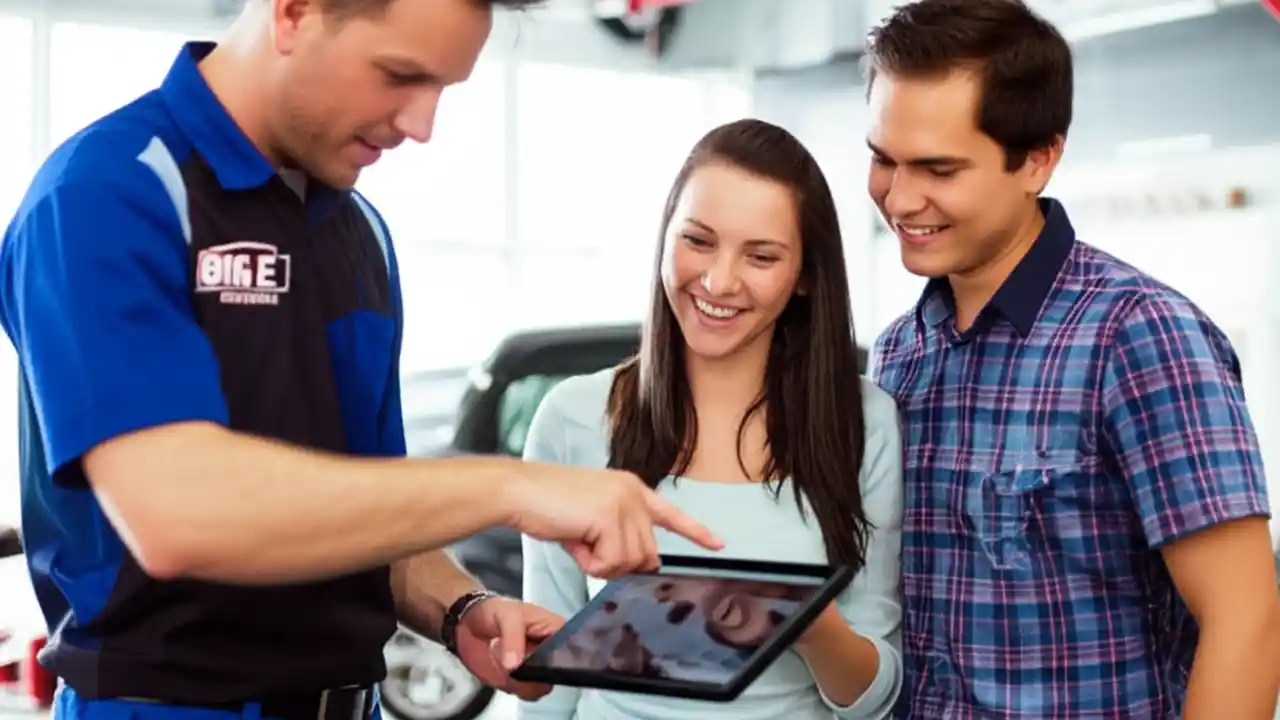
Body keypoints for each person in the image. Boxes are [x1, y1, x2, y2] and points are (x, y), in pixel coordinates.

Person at [0, 0, 724, 718]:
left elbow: (366, 510)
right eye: (400, 76)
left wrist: (462, 609)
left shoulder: (358, 232)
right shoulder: (105, 194)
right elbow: (178, 516)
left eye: (443, 88)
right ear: (294, 13)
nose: (422, 125)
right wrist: (514, 486)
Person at [863, 1, 1280, 718]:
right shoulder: (902, 350)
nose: (898, 198)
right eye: (882, 159)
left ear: (1038, 158)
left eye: (938, 168)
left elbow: (1246, 620)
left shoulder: (1140, 336)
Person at [517, 118, 905, 720]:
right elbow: (547, 688)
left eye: (761, 256)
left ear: (806, 275)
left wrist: (809, 625)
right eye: (698, 241)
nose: (720, 281)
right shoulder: (572, 419)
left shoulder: (866, 422)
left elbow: (873, 700)